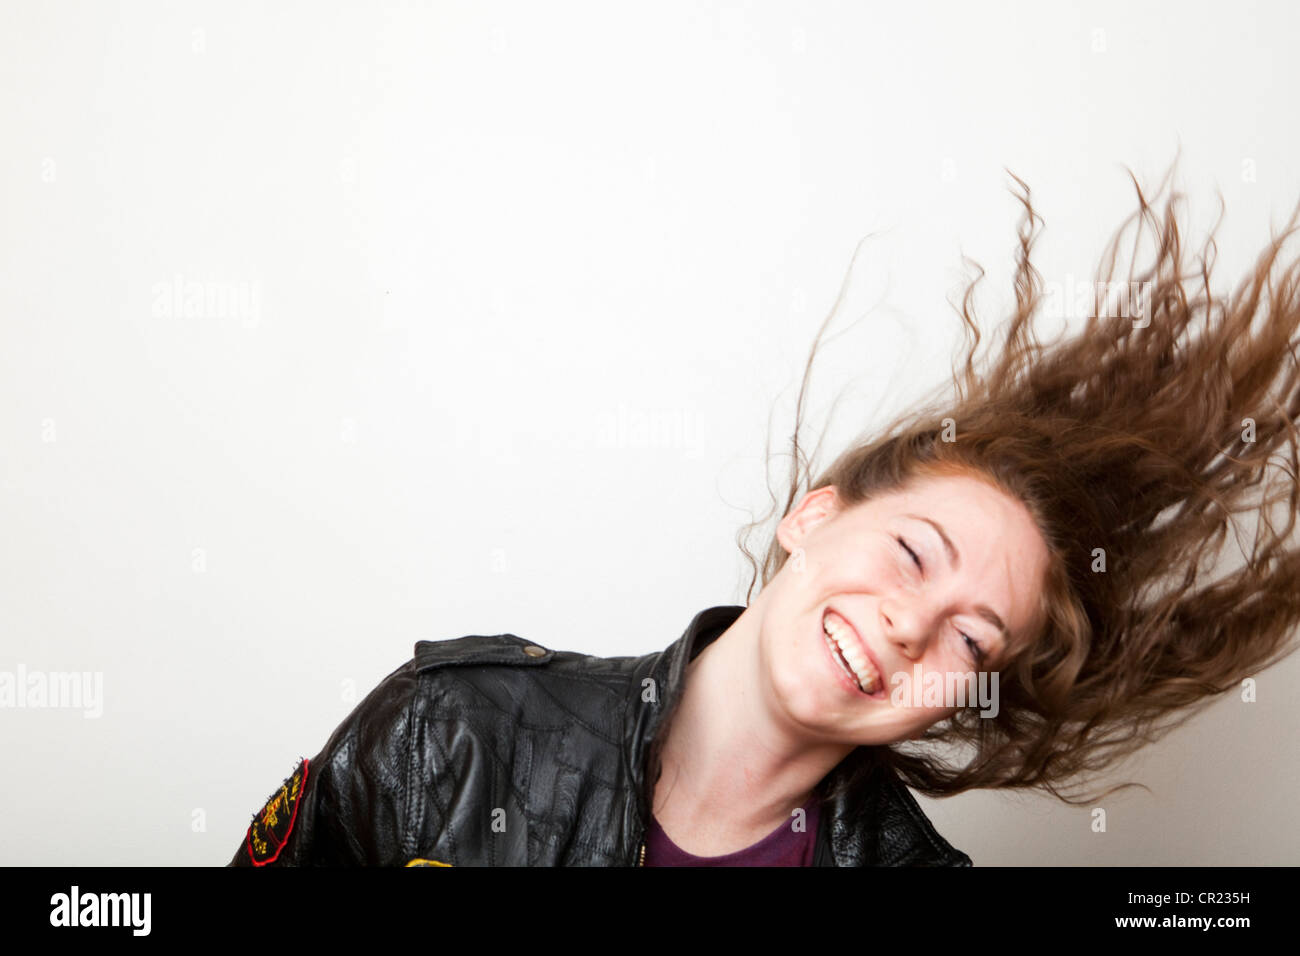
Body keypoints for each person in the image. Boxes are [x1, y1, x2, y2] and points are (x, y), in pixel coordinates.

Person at [228, 161, 1300, 866]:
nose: (904, 624)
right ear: (812, 514)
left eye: (970, 637)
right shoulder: (452, 733)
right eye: (909, 554)